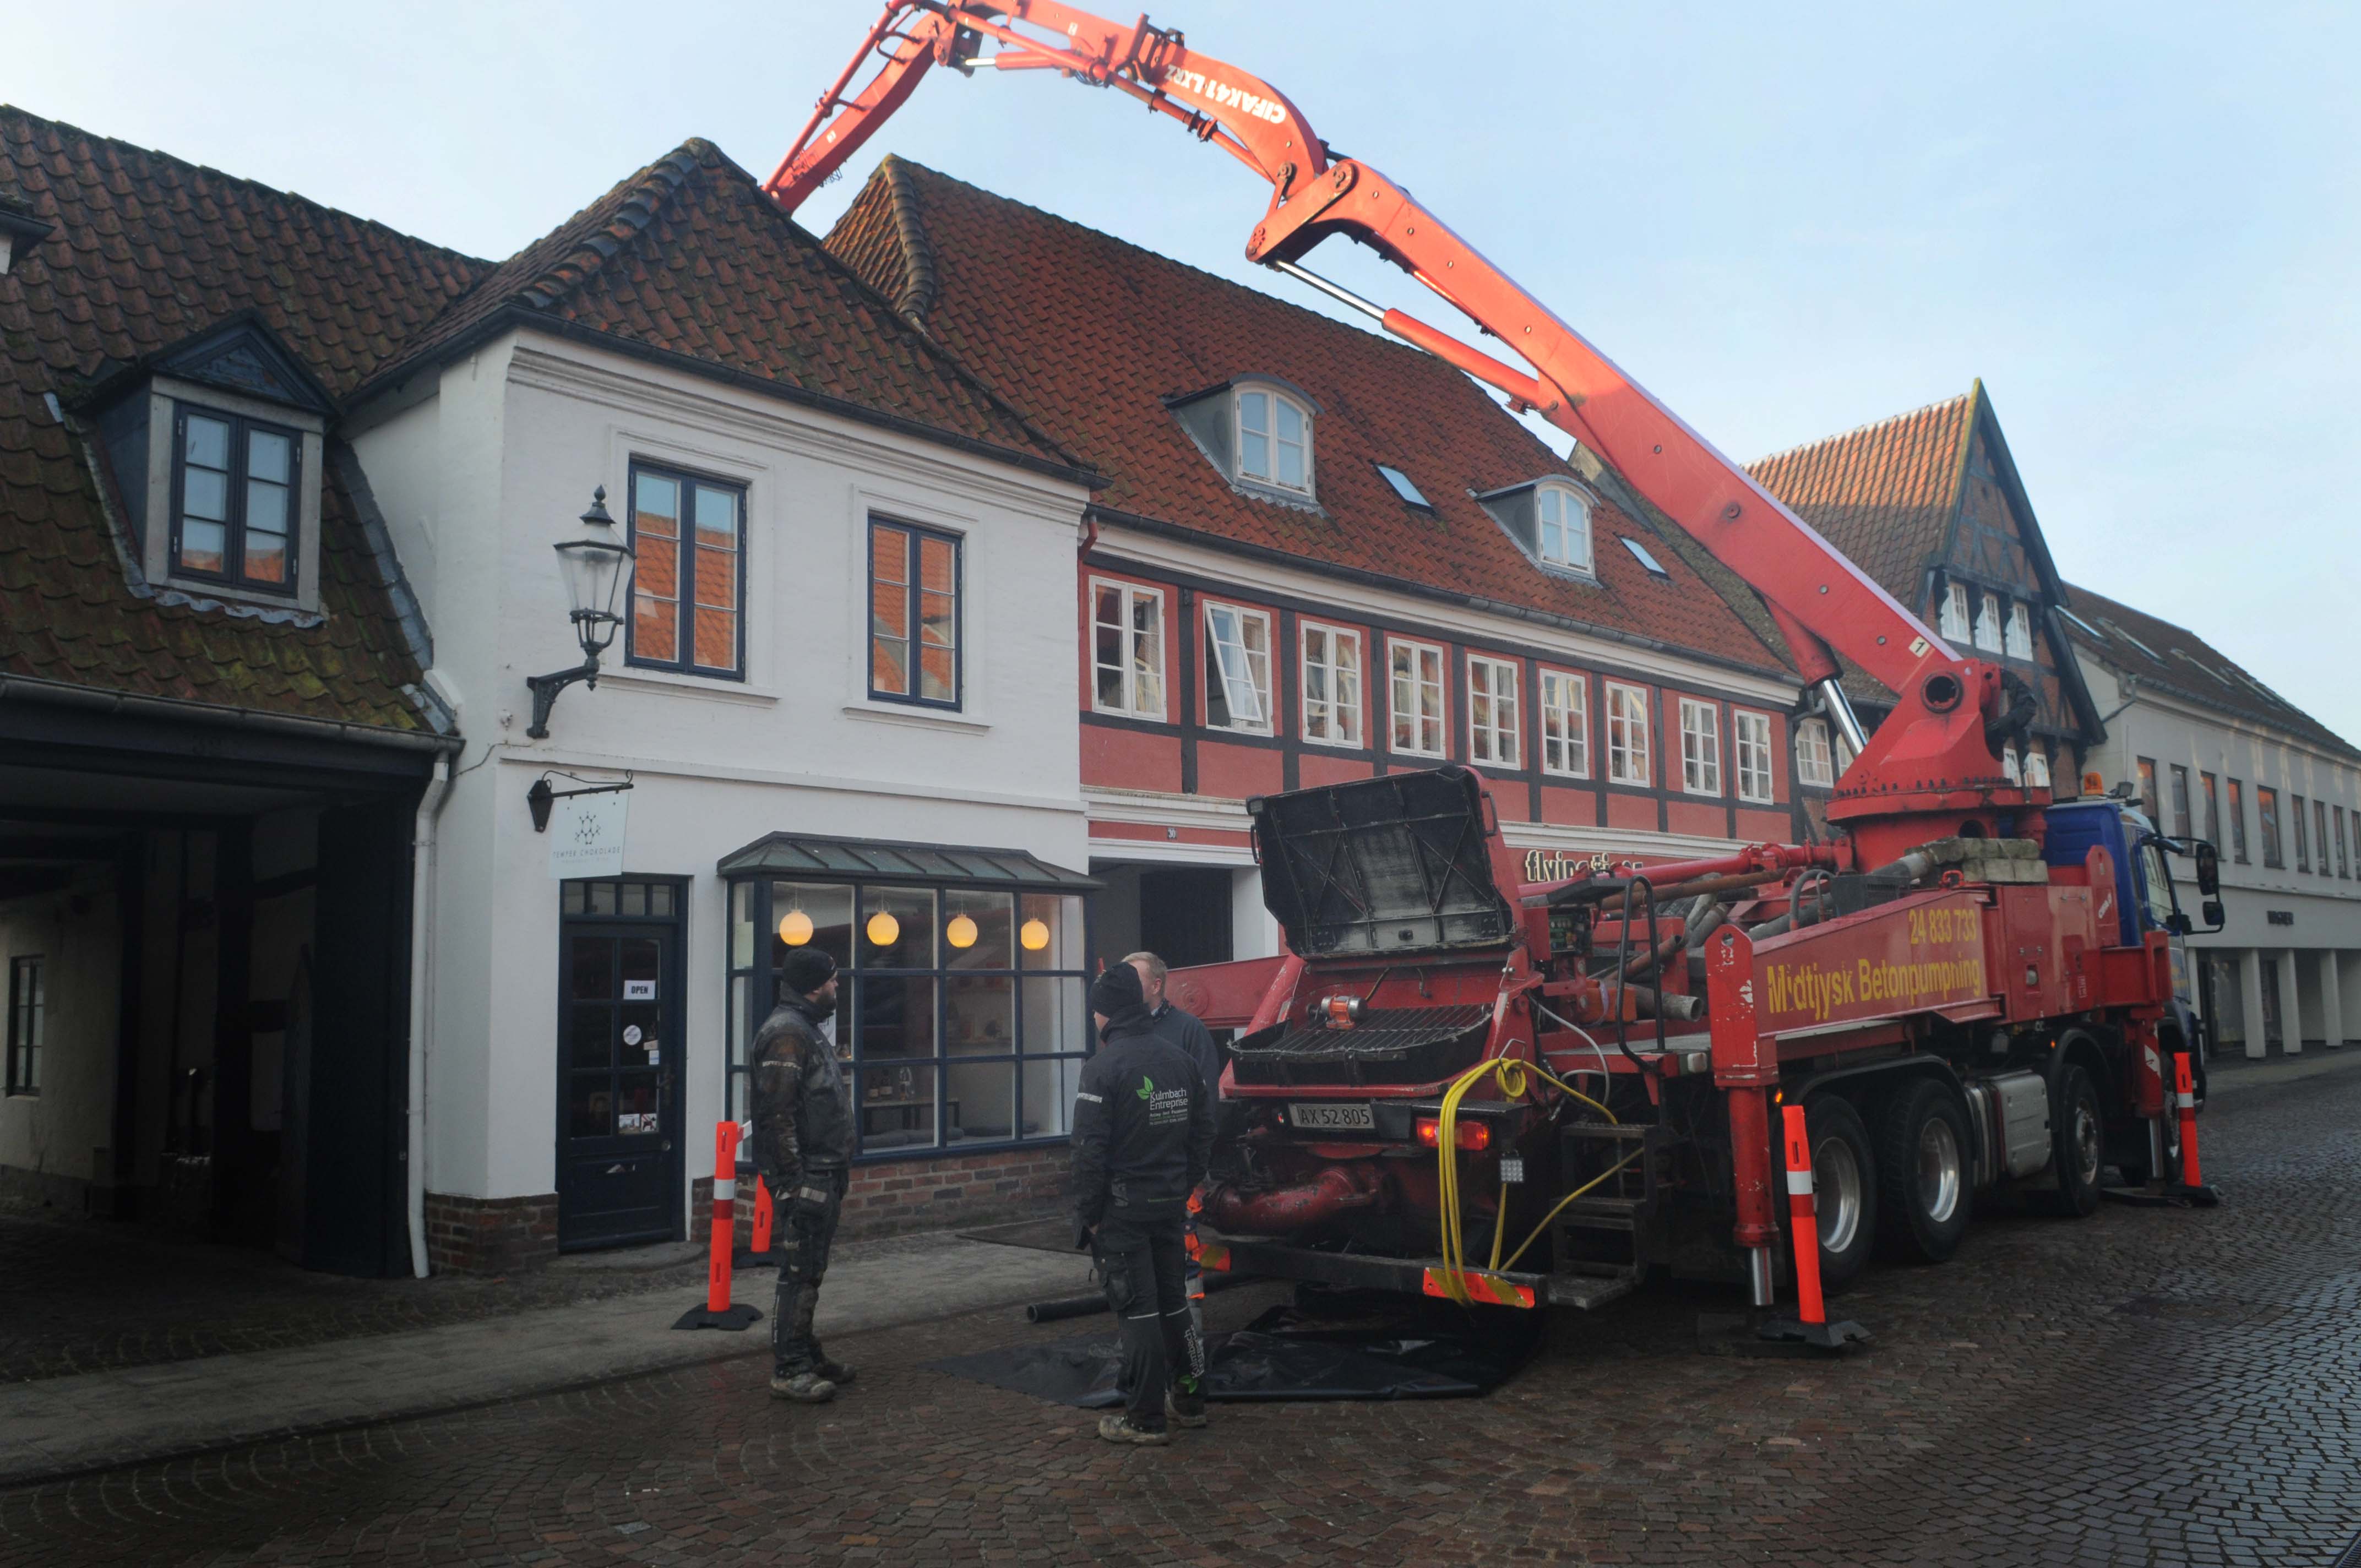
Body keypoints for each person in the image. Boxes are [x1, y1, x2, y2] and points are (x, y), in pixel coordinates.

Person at [1070, 961, 1215, 1445]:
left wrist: (1089, 1216)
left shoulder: (1103, 1068)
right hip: (1171, 1205)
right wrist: (1183, 1182)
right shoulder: (1180, 1060)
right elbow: (1203, 1133)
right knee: (1175, 1303)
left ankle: (1145, 1417)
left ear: (1105, 1014)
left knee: (1138, 1311)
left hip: (1124, 1211)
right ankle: (1191, 1400)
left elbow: (1089, 1153)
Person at [748, 946, 855, 1404]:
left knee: (810, 1269)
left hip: (823, 1171)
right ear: (815, 986)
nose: (837, 987)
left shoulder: (804, 1029)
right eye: (832, 980)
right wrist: (794, 1183)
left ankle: (806, 1352)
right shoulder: (788, 1035)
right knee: (798, 1272)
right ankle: (790, 1366)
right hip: (807, 1176)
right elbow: (776, 1116)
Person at [1125, 951, 1222, 1344]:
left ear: (1156, 985)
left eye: (1135, 979)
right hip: (1135, 1172)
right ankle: (1146, 1340)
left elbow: (1206, 1106)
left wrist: (1192, 1171)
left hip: (1177, 1170)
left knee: (1183, 1251)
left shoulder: (1189, 1031)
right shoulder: (1121, 1034)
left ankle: (1189, 1343)